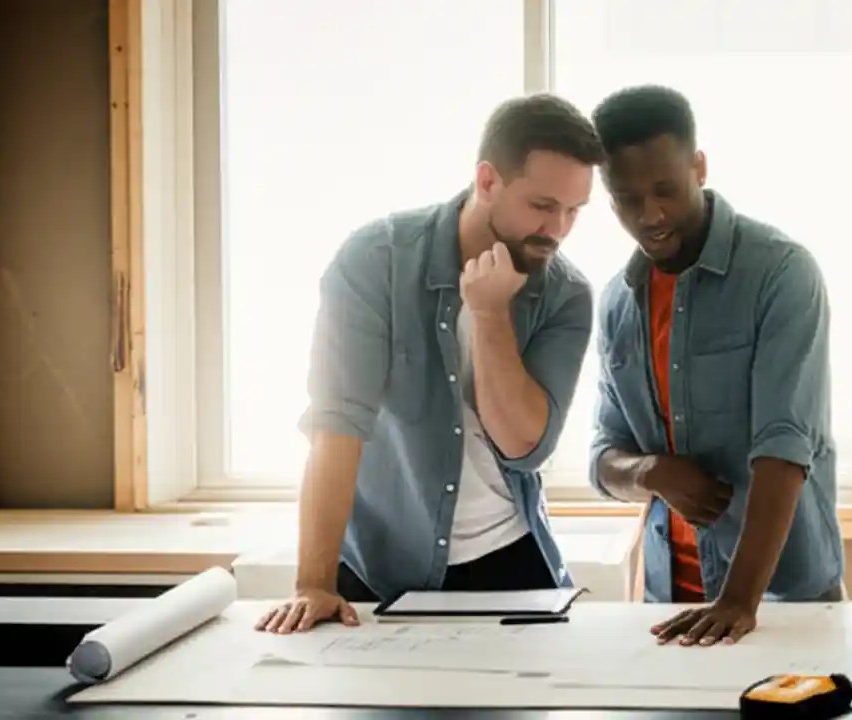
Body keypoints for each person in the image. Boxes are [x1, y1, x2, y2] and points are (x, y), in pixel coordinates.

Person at [257, 93, 605, 634]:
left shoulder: (566, 294)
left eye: (574, 211)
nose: (558, 229)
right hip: (378, 567)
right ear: (488, 181)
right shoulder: (377, 261)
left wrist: (490, 314)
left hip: (509, 562)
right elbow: (338, 426)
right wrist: (313, 583)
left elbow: (524, 445)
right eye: (542, 205)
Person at [588, 85, 845, 647]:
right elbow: (603, 457)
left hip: (779, 604)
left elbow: (785, 444)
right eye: (628, 198)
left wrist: (737, 601)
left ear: (699, 167)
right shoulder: (616, 302)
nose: (650, 215)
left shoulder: (782, 273)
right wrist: (648, 472)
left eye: (666, 190)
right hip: (665, 606)